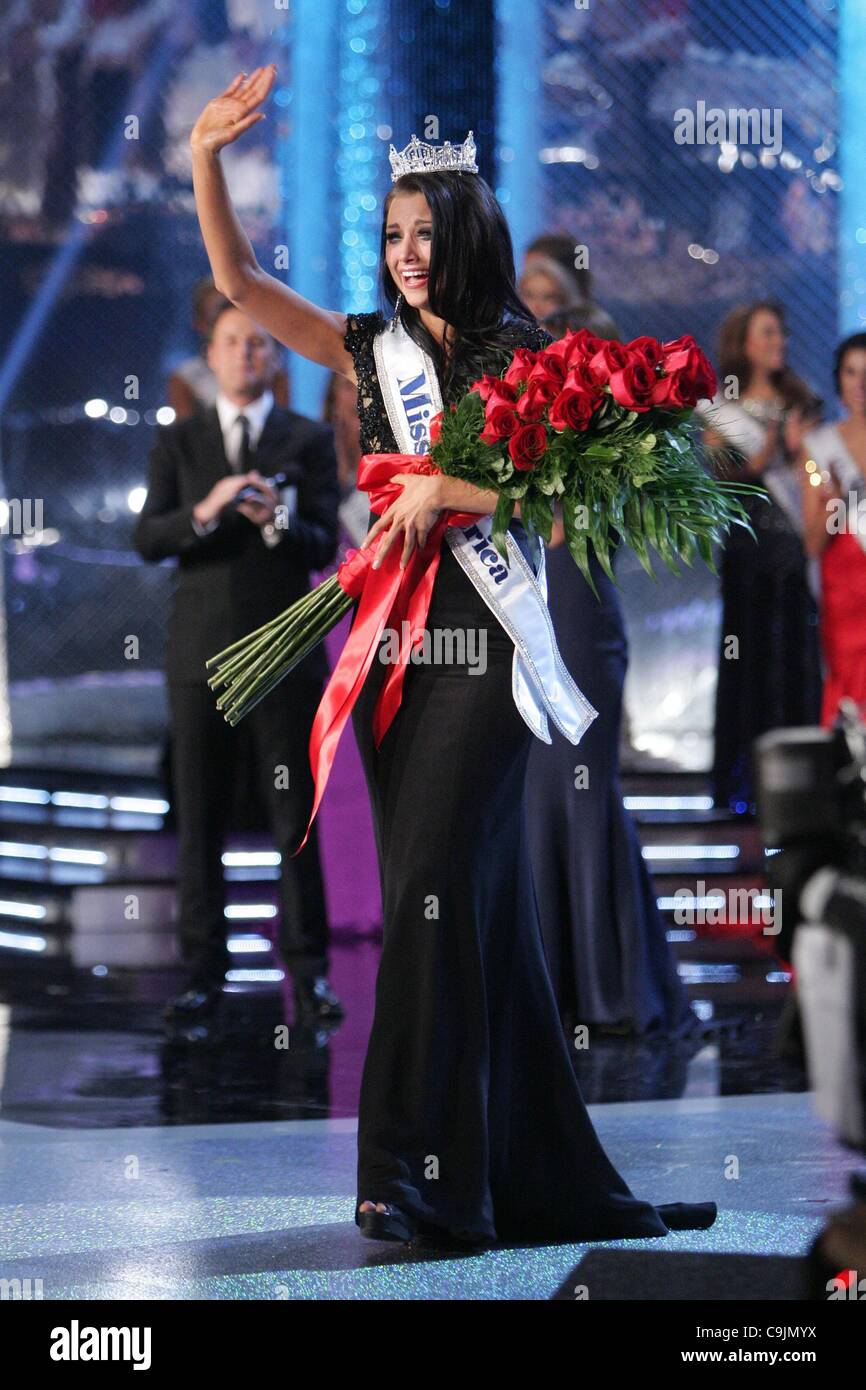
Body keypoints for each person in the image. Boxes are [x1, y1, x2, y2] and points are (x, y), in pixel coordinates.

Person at [188, 64, 717, 1245]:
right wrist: (204, 157)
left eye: (425, 231)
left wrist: (453, 483)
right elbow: (236, 282)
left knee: (428, 890)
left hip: (486, 648)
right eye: (391, 233)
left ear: (467, 230)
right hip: (393, 651)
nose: (407, 250)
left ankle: (416, 1177)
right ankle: (541, 1182)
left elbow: (571, 512)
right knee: (475, 909)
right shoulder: (371, 347)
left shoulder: (526, 351)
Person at [133, 295, 342, 1033]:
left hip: (284, 655)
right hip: (201, 659)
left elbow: (323, 546)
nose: (247, 354)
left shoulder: (308, 439)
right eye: (233, 342)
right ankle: (201, 977)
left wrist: (275, 518)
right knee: (201, 819)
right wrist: (209, 509)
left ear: (274, 355)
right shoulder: (180, 442)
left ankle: (310, 976)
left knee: (297, 821)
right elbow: (148, 538)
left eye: (259, 343)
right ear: (212, 356)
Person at [701, 301, 822, 811]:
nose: (779, 342)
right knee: (746, 656)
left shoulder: (802, 403)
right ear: (744, 343)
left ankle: (802, 790)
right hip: (747, 550)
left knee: (794, 657)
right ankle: (744, 785)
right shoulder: (721, 409)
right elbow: (717, 472)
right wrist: (762, 454)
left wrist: (799, 455)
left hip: (792, 548)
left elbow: (818, 480)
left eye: (782, 333)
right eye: (768, 333)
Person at [799, 333, 866, 726]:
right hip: (844, 585)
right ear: (839, 379)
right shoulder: (819, 447)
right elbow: (812, 541)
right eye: (851, 372)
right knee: (847, 682)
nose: (861, 383)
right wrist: (835, 503)